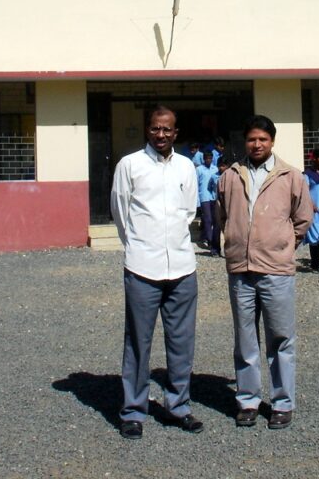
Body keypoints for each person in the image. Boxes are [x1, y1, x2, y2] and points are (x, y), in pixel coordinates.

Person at [111, 106, 202, 440]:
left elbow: (188, 211)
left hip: (181, 267)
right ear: (146, 129)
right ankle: (133, 411)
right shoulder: (129, 165)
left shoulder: (186, 166)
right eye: (155, 128)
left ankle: (178, 406)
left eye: (167, 129)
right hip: (142, 267)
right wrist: (139, 244)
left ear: (176, 132)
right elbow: (121, 212)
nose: (160, 134)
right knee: (138, 341)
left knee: (182, 341)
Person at [217, 115, 312, 430]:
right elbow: (223, 215)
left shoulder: (290, 176)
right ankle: (248, 401)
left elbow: (302, 218)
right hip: (240, 270)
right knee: (245, 340)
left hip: (276, 271)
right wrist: (235, 241)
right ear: (244, 141)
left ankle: (282, 403)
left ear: (272, 141)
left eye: (263, 139)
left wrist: (283, 245)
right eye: (251, 139)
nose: (257, 144)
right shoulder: (230, 176)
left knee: (280, 338)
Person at [196, 152, 220, 256]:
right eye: (207, 158)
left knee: (214, 220)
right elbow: (196, 184)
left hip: (213, 197)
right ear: (204, 159)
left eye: (210, 158)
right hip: (204, 196)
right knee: (208, 219)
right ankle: (210, 241)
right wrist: (197, 200)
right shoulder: (199, 169)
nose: (209, 160)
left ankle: (203, 236)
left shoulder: (215, 169)